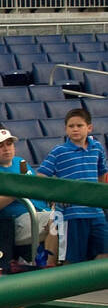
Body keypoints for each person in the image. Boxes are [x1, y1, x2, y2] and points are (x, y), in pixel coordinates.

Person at [35, 108, 108, 264]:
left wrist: (100, 199)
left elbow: (102, 173)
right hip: (72, 216)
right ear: (65, 129)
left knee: (104, 253)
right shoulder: (59, 152)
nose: (75, 129)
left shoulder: (97, 148)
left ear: (89, 128)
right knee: (72, 260)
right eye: (71, 126)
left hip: (96, 214)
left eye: (79, 125)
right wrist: (56, 196)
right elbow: (41, 177)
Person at [0, 125, 53, 256]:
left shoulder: (20, 162)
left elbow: (37, 187)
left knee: (70, 217)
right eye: (0, 145)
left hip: (42, 213)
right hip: (17, 222)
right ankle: (52, 265)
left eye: (9, 144)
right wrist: (15, 193)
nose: (6, 149)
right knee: (59, 220)